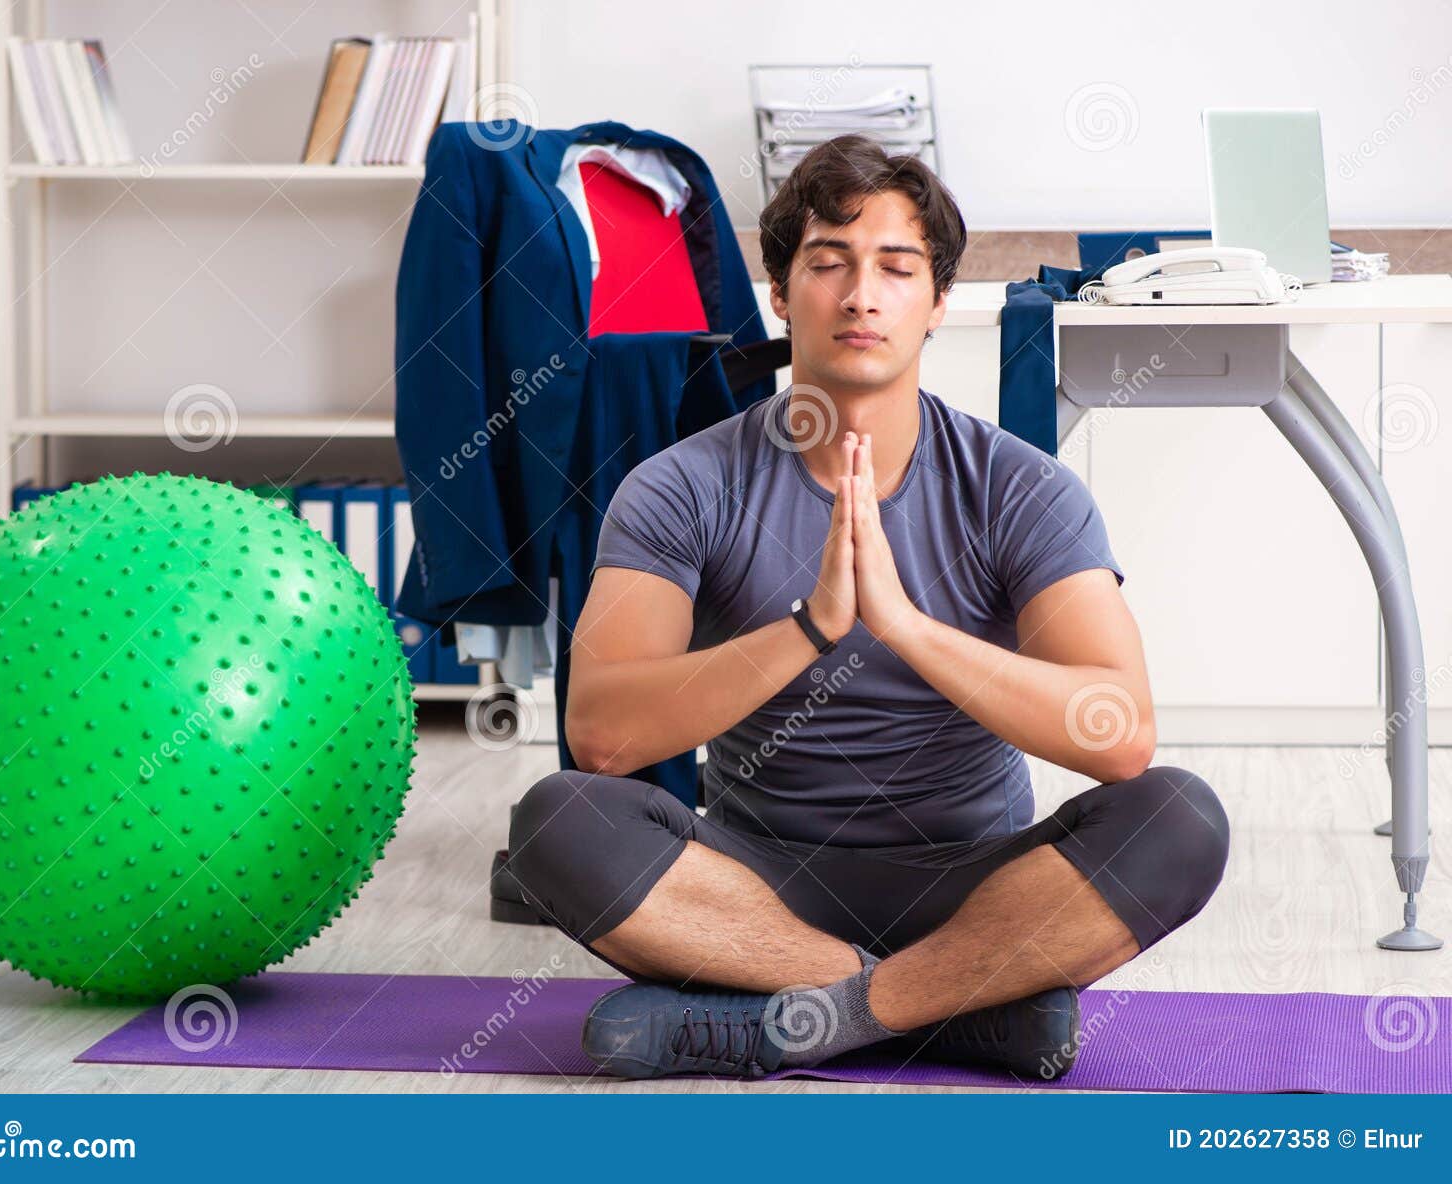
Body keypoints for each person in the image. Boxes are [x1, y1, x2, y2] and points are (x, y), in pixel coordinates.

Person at [506, 133, 1230, 1081]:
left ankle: (792, 1017)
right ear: (780, 294)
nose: (861, 296)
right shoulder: (679, 486)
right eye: (828, 264)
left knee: (1178, 817)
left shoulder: (1021, 490)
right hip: (752, 885)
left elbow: (1118, 735)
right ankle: (961, 1009)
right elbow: (602, 737)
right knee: (558, 820)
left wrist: (906, 627)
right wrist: (809, 628)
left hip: (971, 882)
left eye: (896, 268)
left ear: (937, 304)